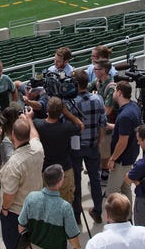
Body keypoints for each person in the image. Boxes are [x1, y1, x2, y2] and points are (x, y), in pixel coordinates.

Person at [0, 114, 45, 249]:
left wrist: (4, 208)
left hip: (17, 212)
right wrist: (29, 120)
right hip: (36, 205)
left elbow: (9, 194)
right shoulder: (38, 149)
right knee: (34, 236)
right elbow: (35, 136)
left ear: (13, 136)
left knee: (14, 246)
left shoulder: (13, 164)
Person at [70, 71, 106, 224]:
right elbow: (103, 124)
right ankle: (98, 211)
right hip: (92, 145)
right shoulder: (98, 99)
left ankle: (77, 215)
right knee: (95, 180)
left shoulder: (71, 102)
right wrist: (99, 141)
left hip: (75, 148)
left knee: (76, 181)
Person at [34, 97, 81, 203]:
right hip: (64, 170)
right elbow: (80, 125)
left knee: (47, 202)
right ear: (61, 112)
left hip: (46, 171)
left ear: (47, 110)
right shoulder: (67, 127)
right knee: (66, 202)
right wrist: (67, 112)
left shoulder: (37, 124)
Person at [104, 82, 142, 205]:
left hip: (121, 160)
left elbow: (122, 141)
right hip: (131, 156)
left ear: (119, 93)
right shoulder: (134, 107)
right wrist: (113, 126)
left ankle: (118, 219)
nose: (113, 93)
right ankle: (128, 217)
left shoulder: (125, 115)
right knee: (125, 188)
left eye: (115, 91)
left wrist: (112, 159)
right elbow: (129, 129)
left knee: (112, 193)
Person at [93, 60, 119, 180]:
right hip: (101, 123)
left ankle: (105, 173)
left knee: (105, 150)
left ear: (103, 71)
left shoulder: (111, 87)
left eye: (96, 69)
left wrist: (93, 106)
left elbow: (107, 110)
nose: (94, 71)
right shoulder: (99, 82)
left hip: (107, 125)